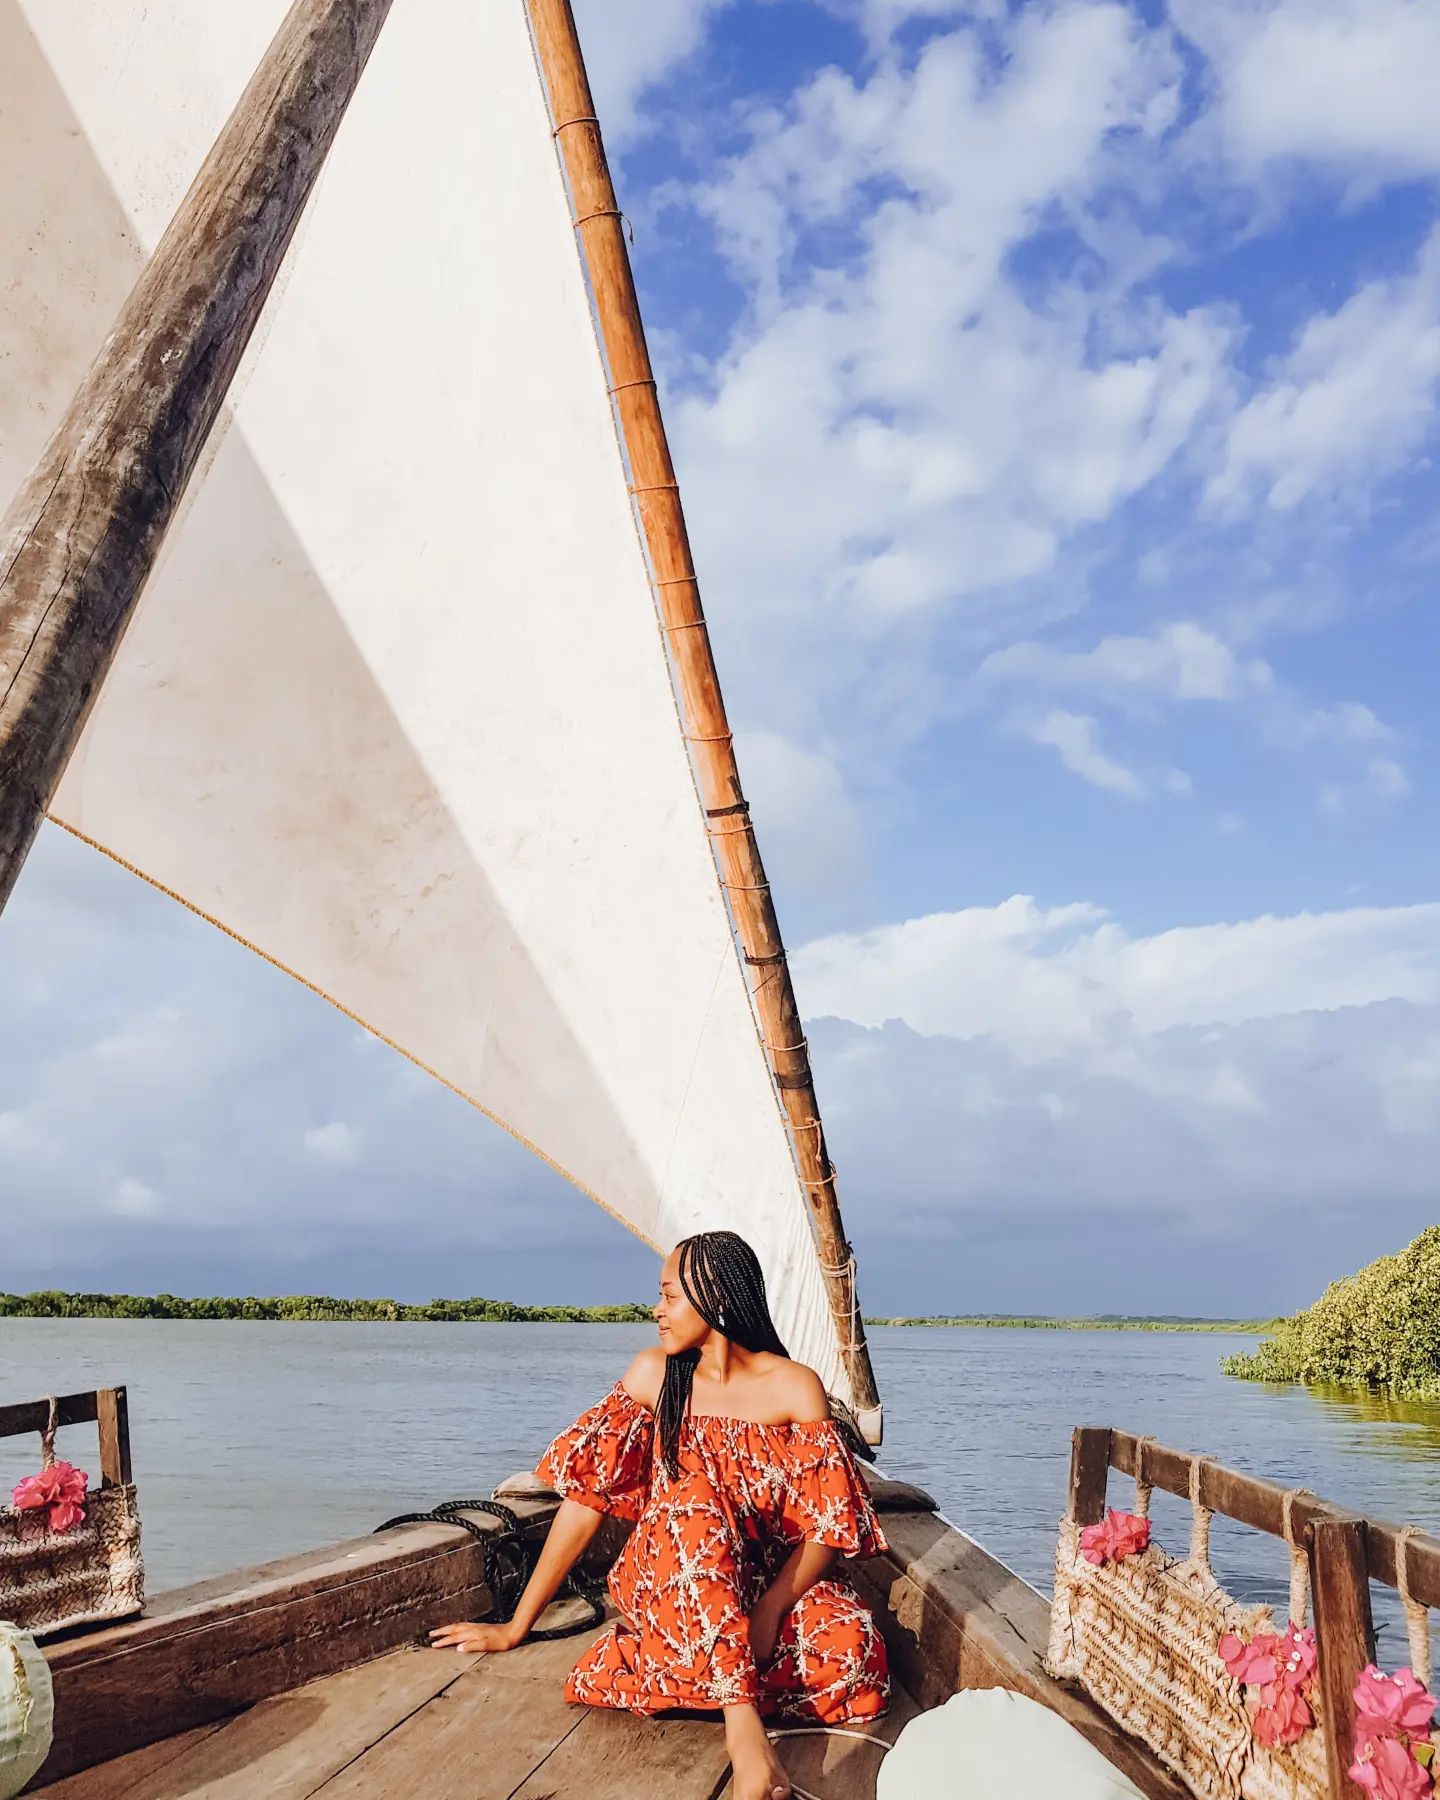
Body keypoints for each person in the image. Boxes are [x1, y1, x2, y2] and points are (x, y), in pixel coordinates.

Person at [429, 1229, 890, 1800]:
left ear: (715, 1297)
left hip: (763, 1581)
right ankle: (744, 1731)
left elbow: (828, 1525)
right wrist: (515, 1626)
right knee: (693, 1500)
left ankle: (686, 1669)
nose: (657, 1310)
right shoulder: (653, 1376)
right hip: (672, 1575)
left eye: (669, 1295)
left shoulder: (794, 1387)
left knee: (851, 1650)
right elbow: (584, 1502)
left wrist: (770, 1610)